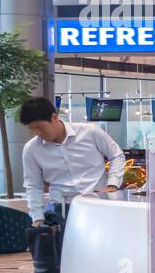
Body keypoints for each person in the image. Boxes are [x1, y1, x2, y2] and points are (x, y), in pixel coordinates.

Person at [19, 96, 125, 225]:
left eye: (40, 127)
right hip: (61, 210)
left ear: (54, 117)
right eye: (32, 129)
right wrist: (37, 218)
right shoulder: (32, 149)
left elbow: (116, 155)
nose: (38, 133)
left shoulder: (90, 132)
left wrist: (112, 185)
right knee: (63, 245)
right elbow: (33, 185)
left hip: (98, 203)